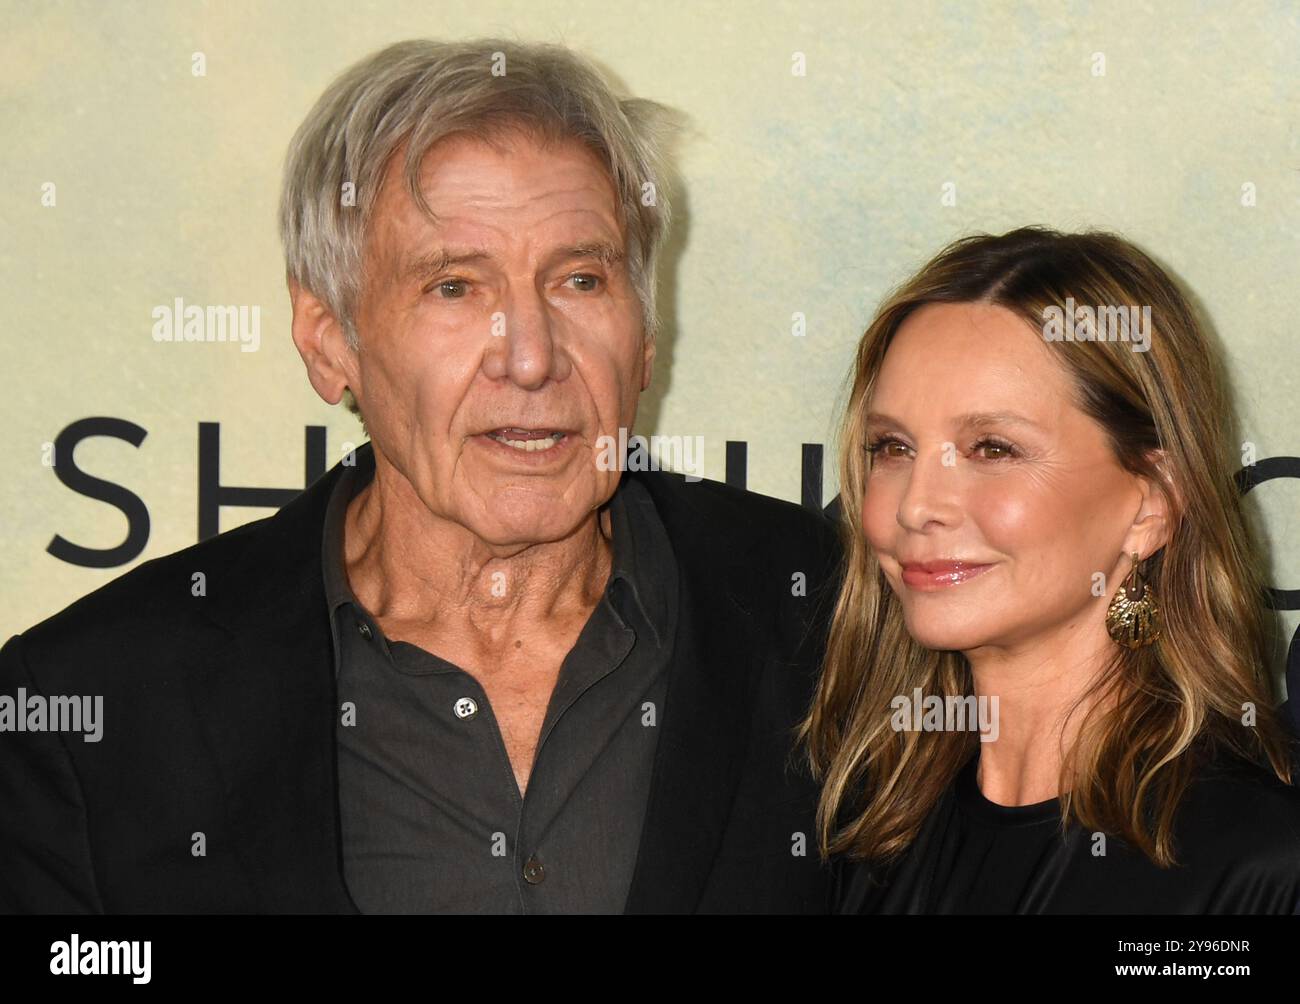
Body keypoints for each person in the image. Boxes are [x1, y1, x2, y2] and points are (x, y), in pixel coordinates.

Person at [0, 38, 841, 914]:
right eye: (454, 288)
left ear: (646, 336)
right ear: (329, 340)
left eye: (581, 279)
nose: (530, 356)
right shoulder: (95, 709)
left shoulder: (835, 621)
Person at [799, 226, 1300, 913]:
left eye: (992, 448)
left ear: (1151, 502)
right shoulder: (859, 829)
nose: (917, 505)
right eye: (892, 447)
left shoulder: (1257, 867)